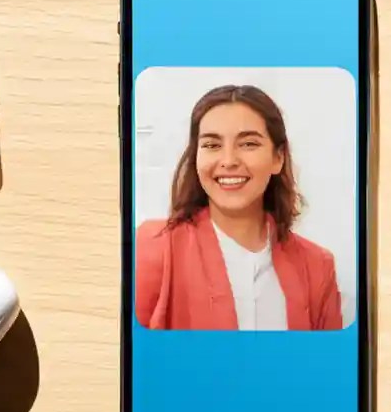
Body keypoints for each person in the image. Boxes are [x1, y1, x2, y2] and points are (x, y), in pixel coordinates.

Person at [135, 84, 343, 331]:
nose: (229, 161)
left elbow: (326, 366)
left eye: (248, 144)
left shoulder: (317, 266)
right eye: (212, 145)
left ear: (278, 157)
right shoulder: (153, 246)